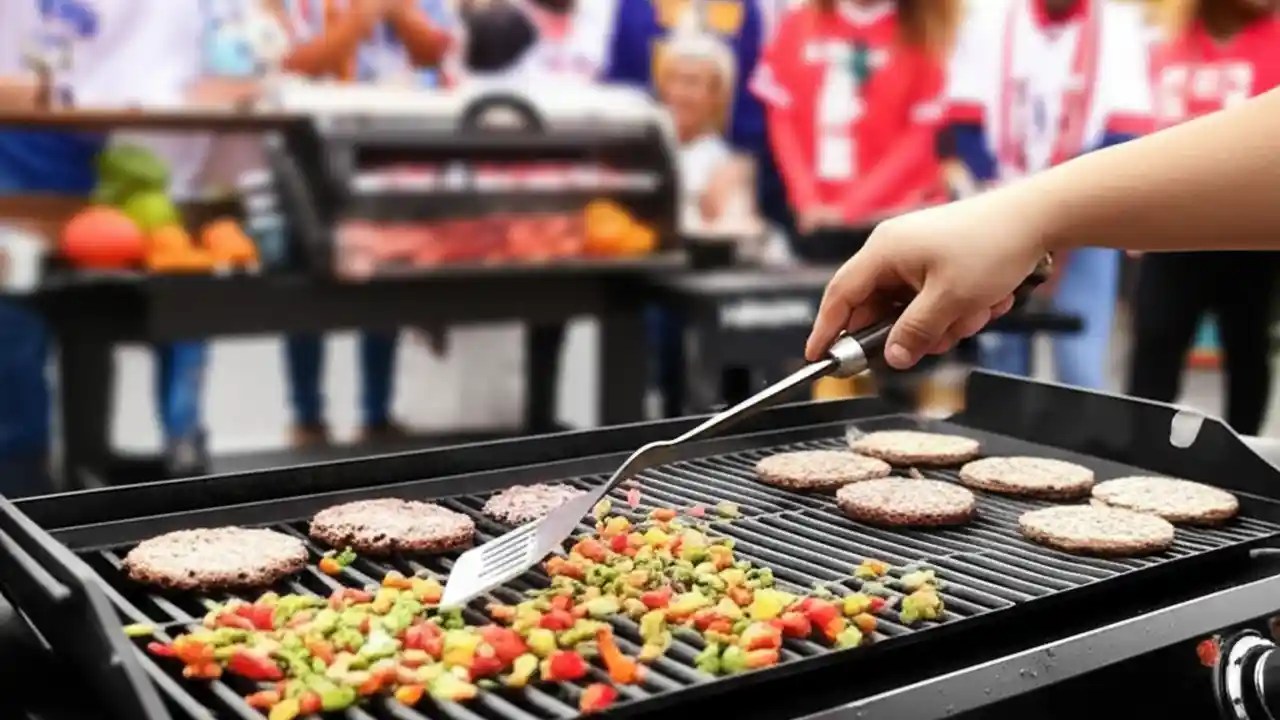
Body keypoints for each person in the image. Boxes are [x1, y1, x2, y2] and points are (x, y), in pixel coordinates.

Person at [804, 86, 1280, 377]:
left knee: (1079, 360)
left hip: (1060, 229)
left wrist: (1027, 219)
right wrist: (1023, 218)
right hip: (1020, 209)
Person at [0, 0, 256, 480]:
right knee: (15, 335)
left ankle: (153, 462)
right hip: (21, 177)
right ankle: (21, 486)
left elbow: (215, 75)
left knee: (135, 313)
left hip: (133, 174)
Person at [944, 0, 1154, 391]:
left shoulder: (1119, 24)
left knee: (1079, 365)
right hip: (1002, 209)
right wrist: (1011, 204)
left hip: (1086, 211)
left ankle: (1080, 445)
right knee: (1002, 361)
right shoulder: (989, 17)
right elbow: (965, 119)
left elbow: (1124, 133)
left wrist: (1059, 218)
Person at [277, 0, 451, 446]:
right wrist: (361, 19)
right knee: (306, 284)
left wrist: (401, 15)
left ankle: (377, 413)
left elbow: (436, 54)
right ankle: (307, 416)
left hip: (387, 150)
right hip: (310, 150)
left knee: (382, 278)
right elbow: (291, 62)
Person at [1124, 0, 1280, 435]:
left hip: (1248, 229)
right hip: (1172, 227)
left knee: (1247, 345)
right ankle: (1140, 453)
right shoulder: (1162, 39)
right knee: (1156, 339)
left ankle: (1245, 452)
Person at [750, 0, 959, 235]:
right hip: (814, 220)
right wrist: (806, 199)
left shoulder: (922, 33)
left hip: (896, 219)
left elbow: (919, 139)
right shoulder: (798, 24)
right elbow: (782, 122)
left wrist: (851, 208)